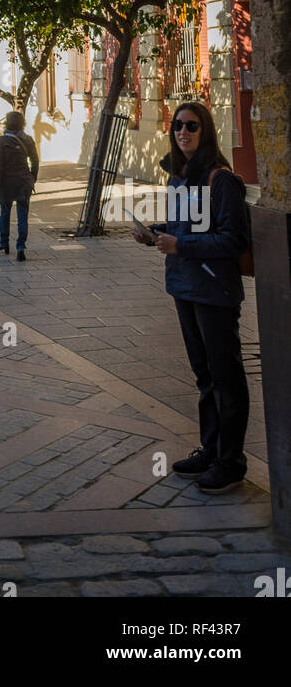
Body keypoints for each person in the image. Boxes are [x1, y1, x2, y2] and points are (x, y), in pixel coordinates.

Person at [133, 101, 251, 493]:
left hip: (213, 291)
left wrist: (179, 244)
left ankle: (231, 461)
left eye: (192, 126)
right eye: (177, 126)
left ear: (206, 131)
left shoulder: (222, 181)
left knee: (225, 376)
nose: (183, 132)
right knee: (204, 375)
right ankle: (211, 449)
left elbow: (233, 239)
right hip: (184, 286)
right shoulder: (181, 178)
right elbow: (188, 227)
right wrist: (156, 232)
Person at [0, 111, 39, 260]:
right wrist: (32, 178)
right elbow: (35, 162)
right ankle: (21, 246)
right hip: (23, 182)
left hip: (6, 182)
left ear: (7, 123)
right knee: (23, 215)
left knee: (5, 213)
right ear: (22, 124)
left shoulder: (2, 141)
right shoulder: (28, 140)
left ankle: (4, 242)